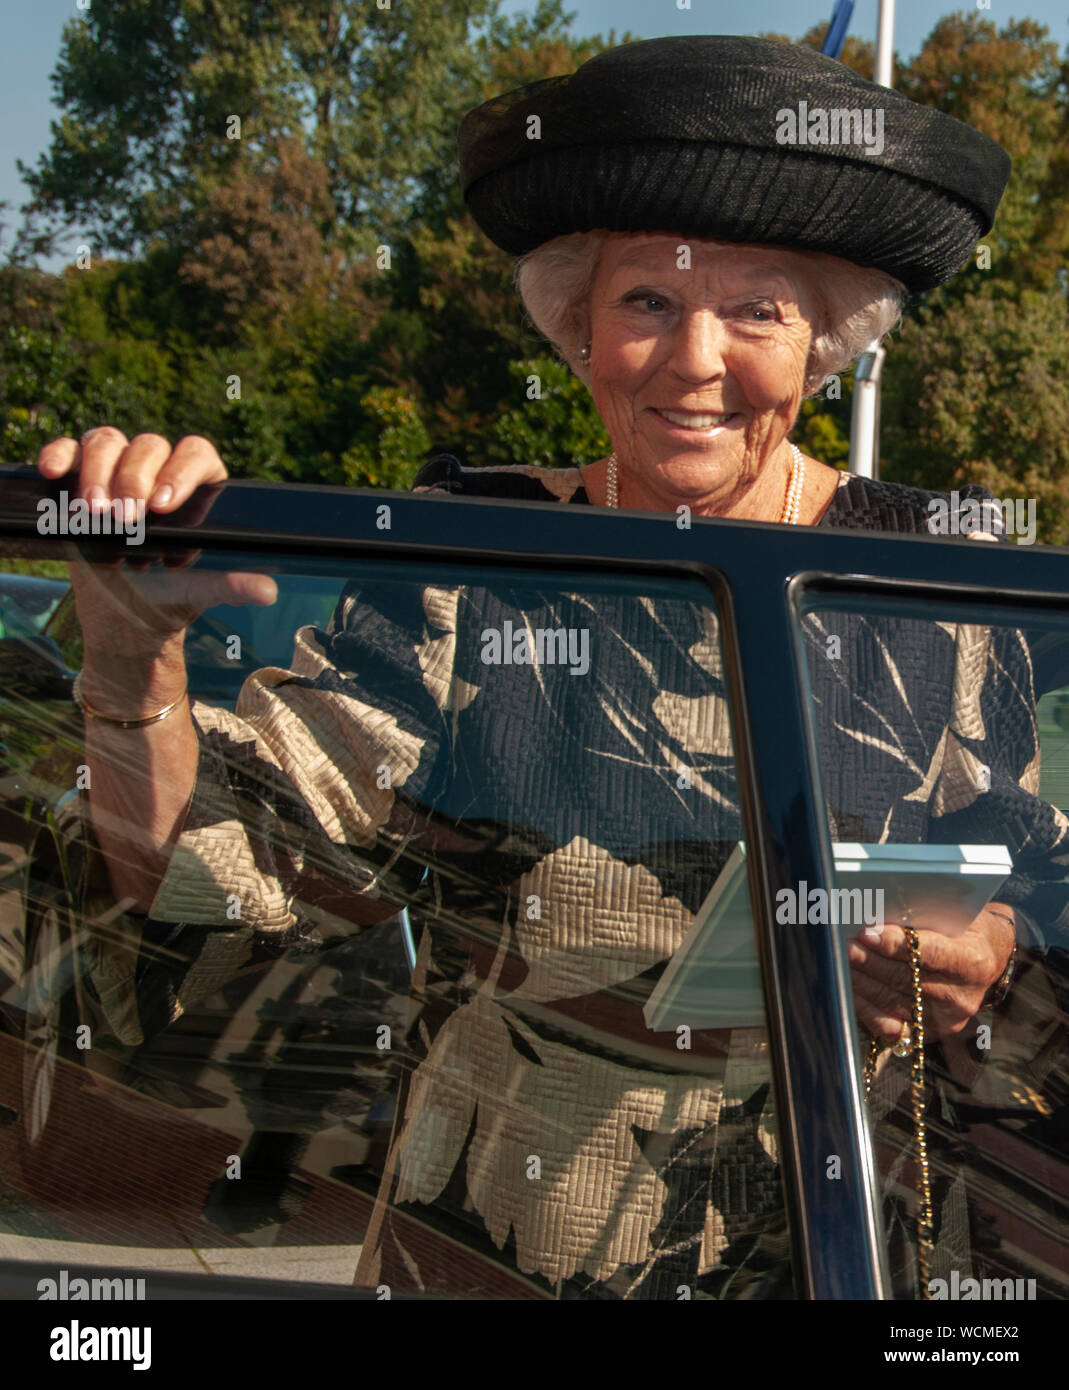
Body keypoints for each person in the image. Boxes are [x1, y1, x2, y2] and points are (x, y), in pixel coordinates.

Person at [34, 36, 1066, 1298]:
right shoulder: (473, 557)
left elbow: (1029, 875)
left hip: (846, 1222)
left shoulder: (936, 577)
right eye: (647, 301)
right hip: (505, 1227)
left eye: (758, 308)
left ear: (823, 345)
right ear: (576, 326)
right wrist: (131, 665)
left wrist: (988, 953)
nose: (697, 360)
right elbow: (213, 878)